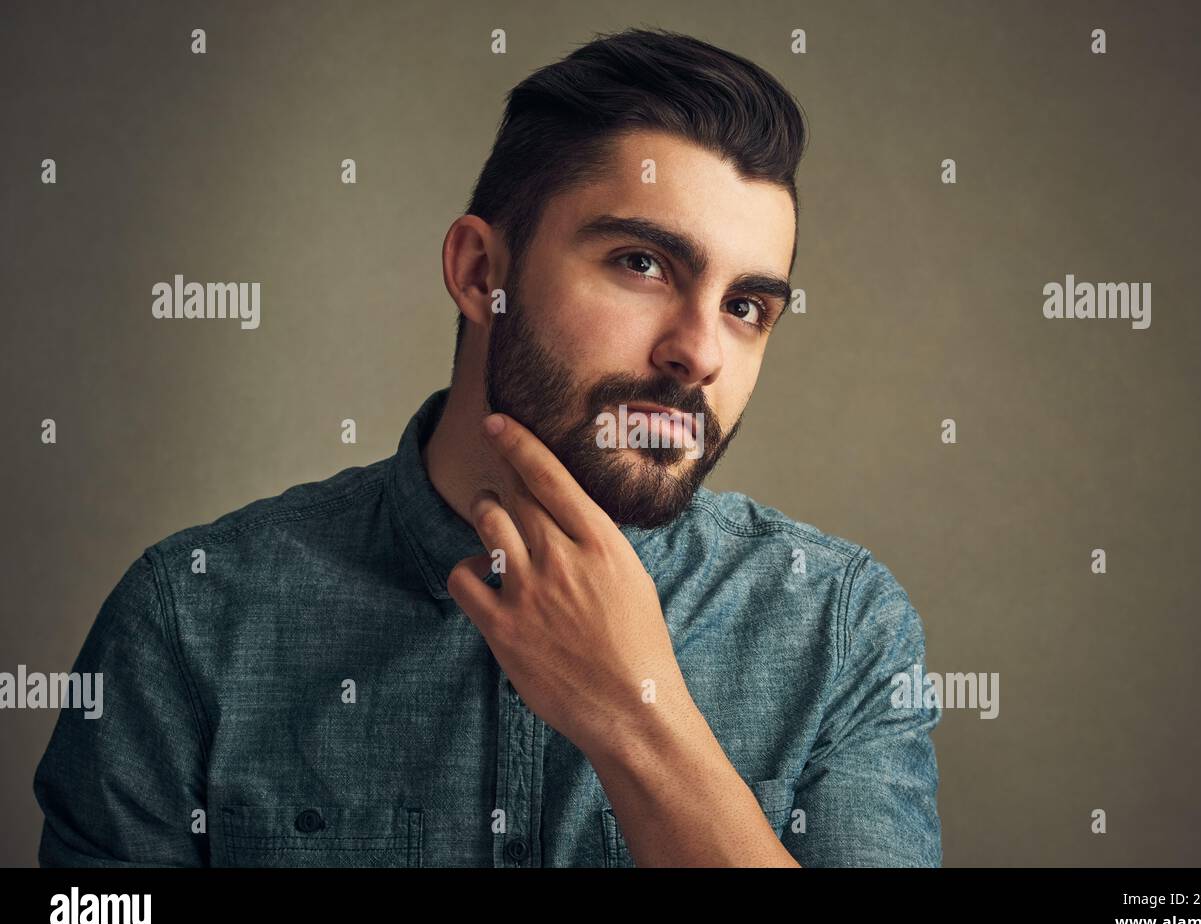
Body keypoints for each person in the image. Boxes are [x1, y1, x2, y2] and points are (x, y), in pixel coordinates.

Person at [33, 26, 941, 867]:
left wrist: (636, 715)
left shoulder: (842, 628)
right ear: (480, 273)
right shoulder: (190, 621)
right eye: (643, 264)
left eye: (746, 307)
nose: (698, 352)